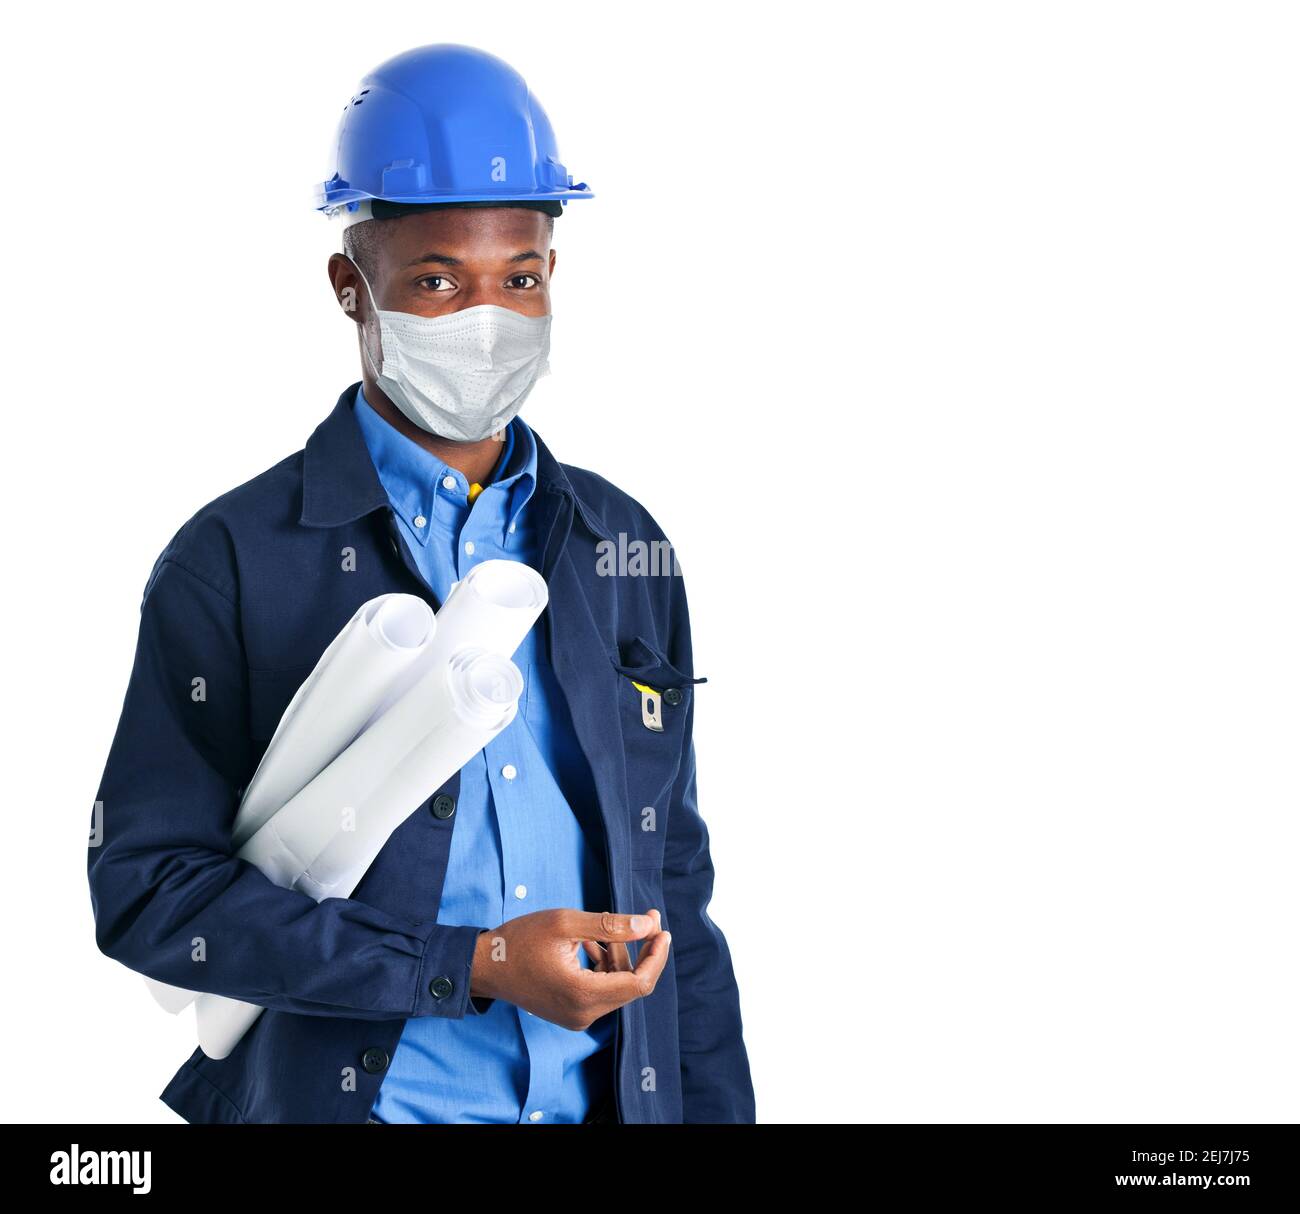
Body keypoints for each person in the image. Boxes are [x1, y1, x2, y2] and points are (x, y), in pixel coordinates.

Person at [87, 43, 754, 1124]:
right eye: (437, 280)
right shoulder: (236, 559)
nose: (485, 319)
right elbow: (149, 891)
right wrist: (472, 962)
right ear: (352, 285)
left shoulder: (619, 543)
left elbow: (672, 885)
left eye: (519, 278)